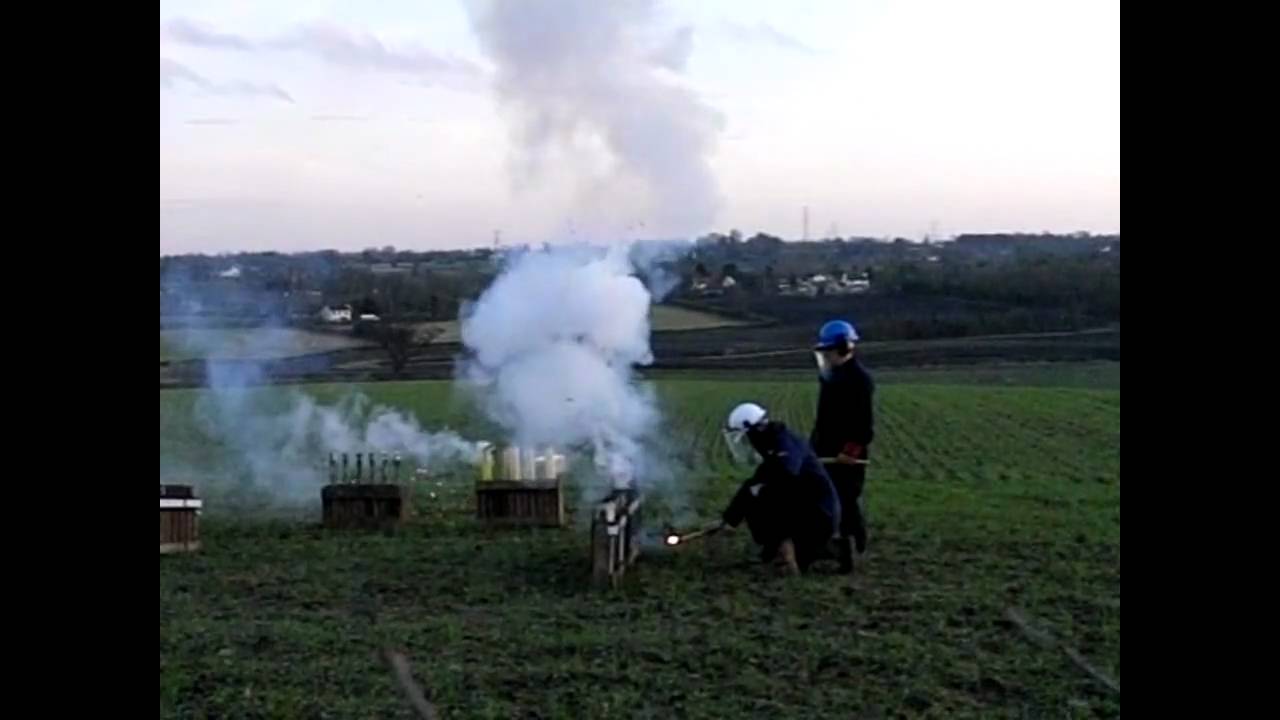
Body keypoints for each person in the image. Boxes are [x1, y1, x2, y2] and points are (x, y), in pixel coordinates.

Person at [720, 402, 841, 575]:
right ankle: (782, 549)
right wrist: (730, 519)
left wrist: (759, 491)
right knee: (756, 494)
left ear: (756, 430)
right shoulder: (773, 447)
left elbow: (786, 475)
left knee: (763, 501)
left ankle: (787, 558)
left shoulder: (784, 443)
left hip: (820, 515)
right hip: (810, 510)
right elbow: (752, 484)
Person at [810, 319, 875, 574]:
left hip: (847, 456)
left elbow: (864, 426)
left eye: (829, 351)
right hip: (826, 450)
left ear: (844, 347)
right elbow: (824, 419)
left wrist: (850, 452)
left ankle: (851, 549)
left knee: (845, 500)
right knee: (827, 498)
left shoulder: (859, 381)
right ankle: (833, 543)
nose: (826, 357)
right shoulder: (831, 377)